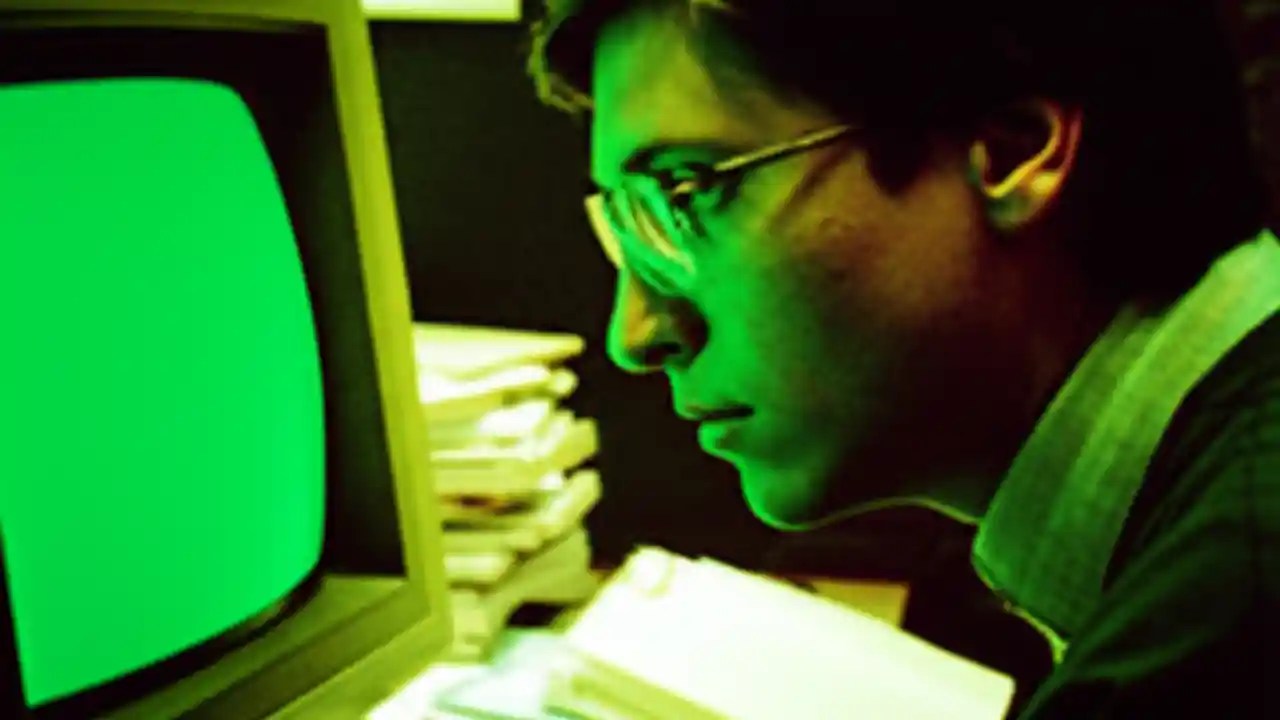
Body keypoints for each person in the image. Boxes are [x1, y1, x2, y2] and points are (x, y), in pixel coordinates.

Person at [526, 0, 1279, 716]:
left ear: (1012, 149)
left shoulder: (1212, 649)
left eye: (683, 194)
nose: (638, 334)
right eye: (623, 223)